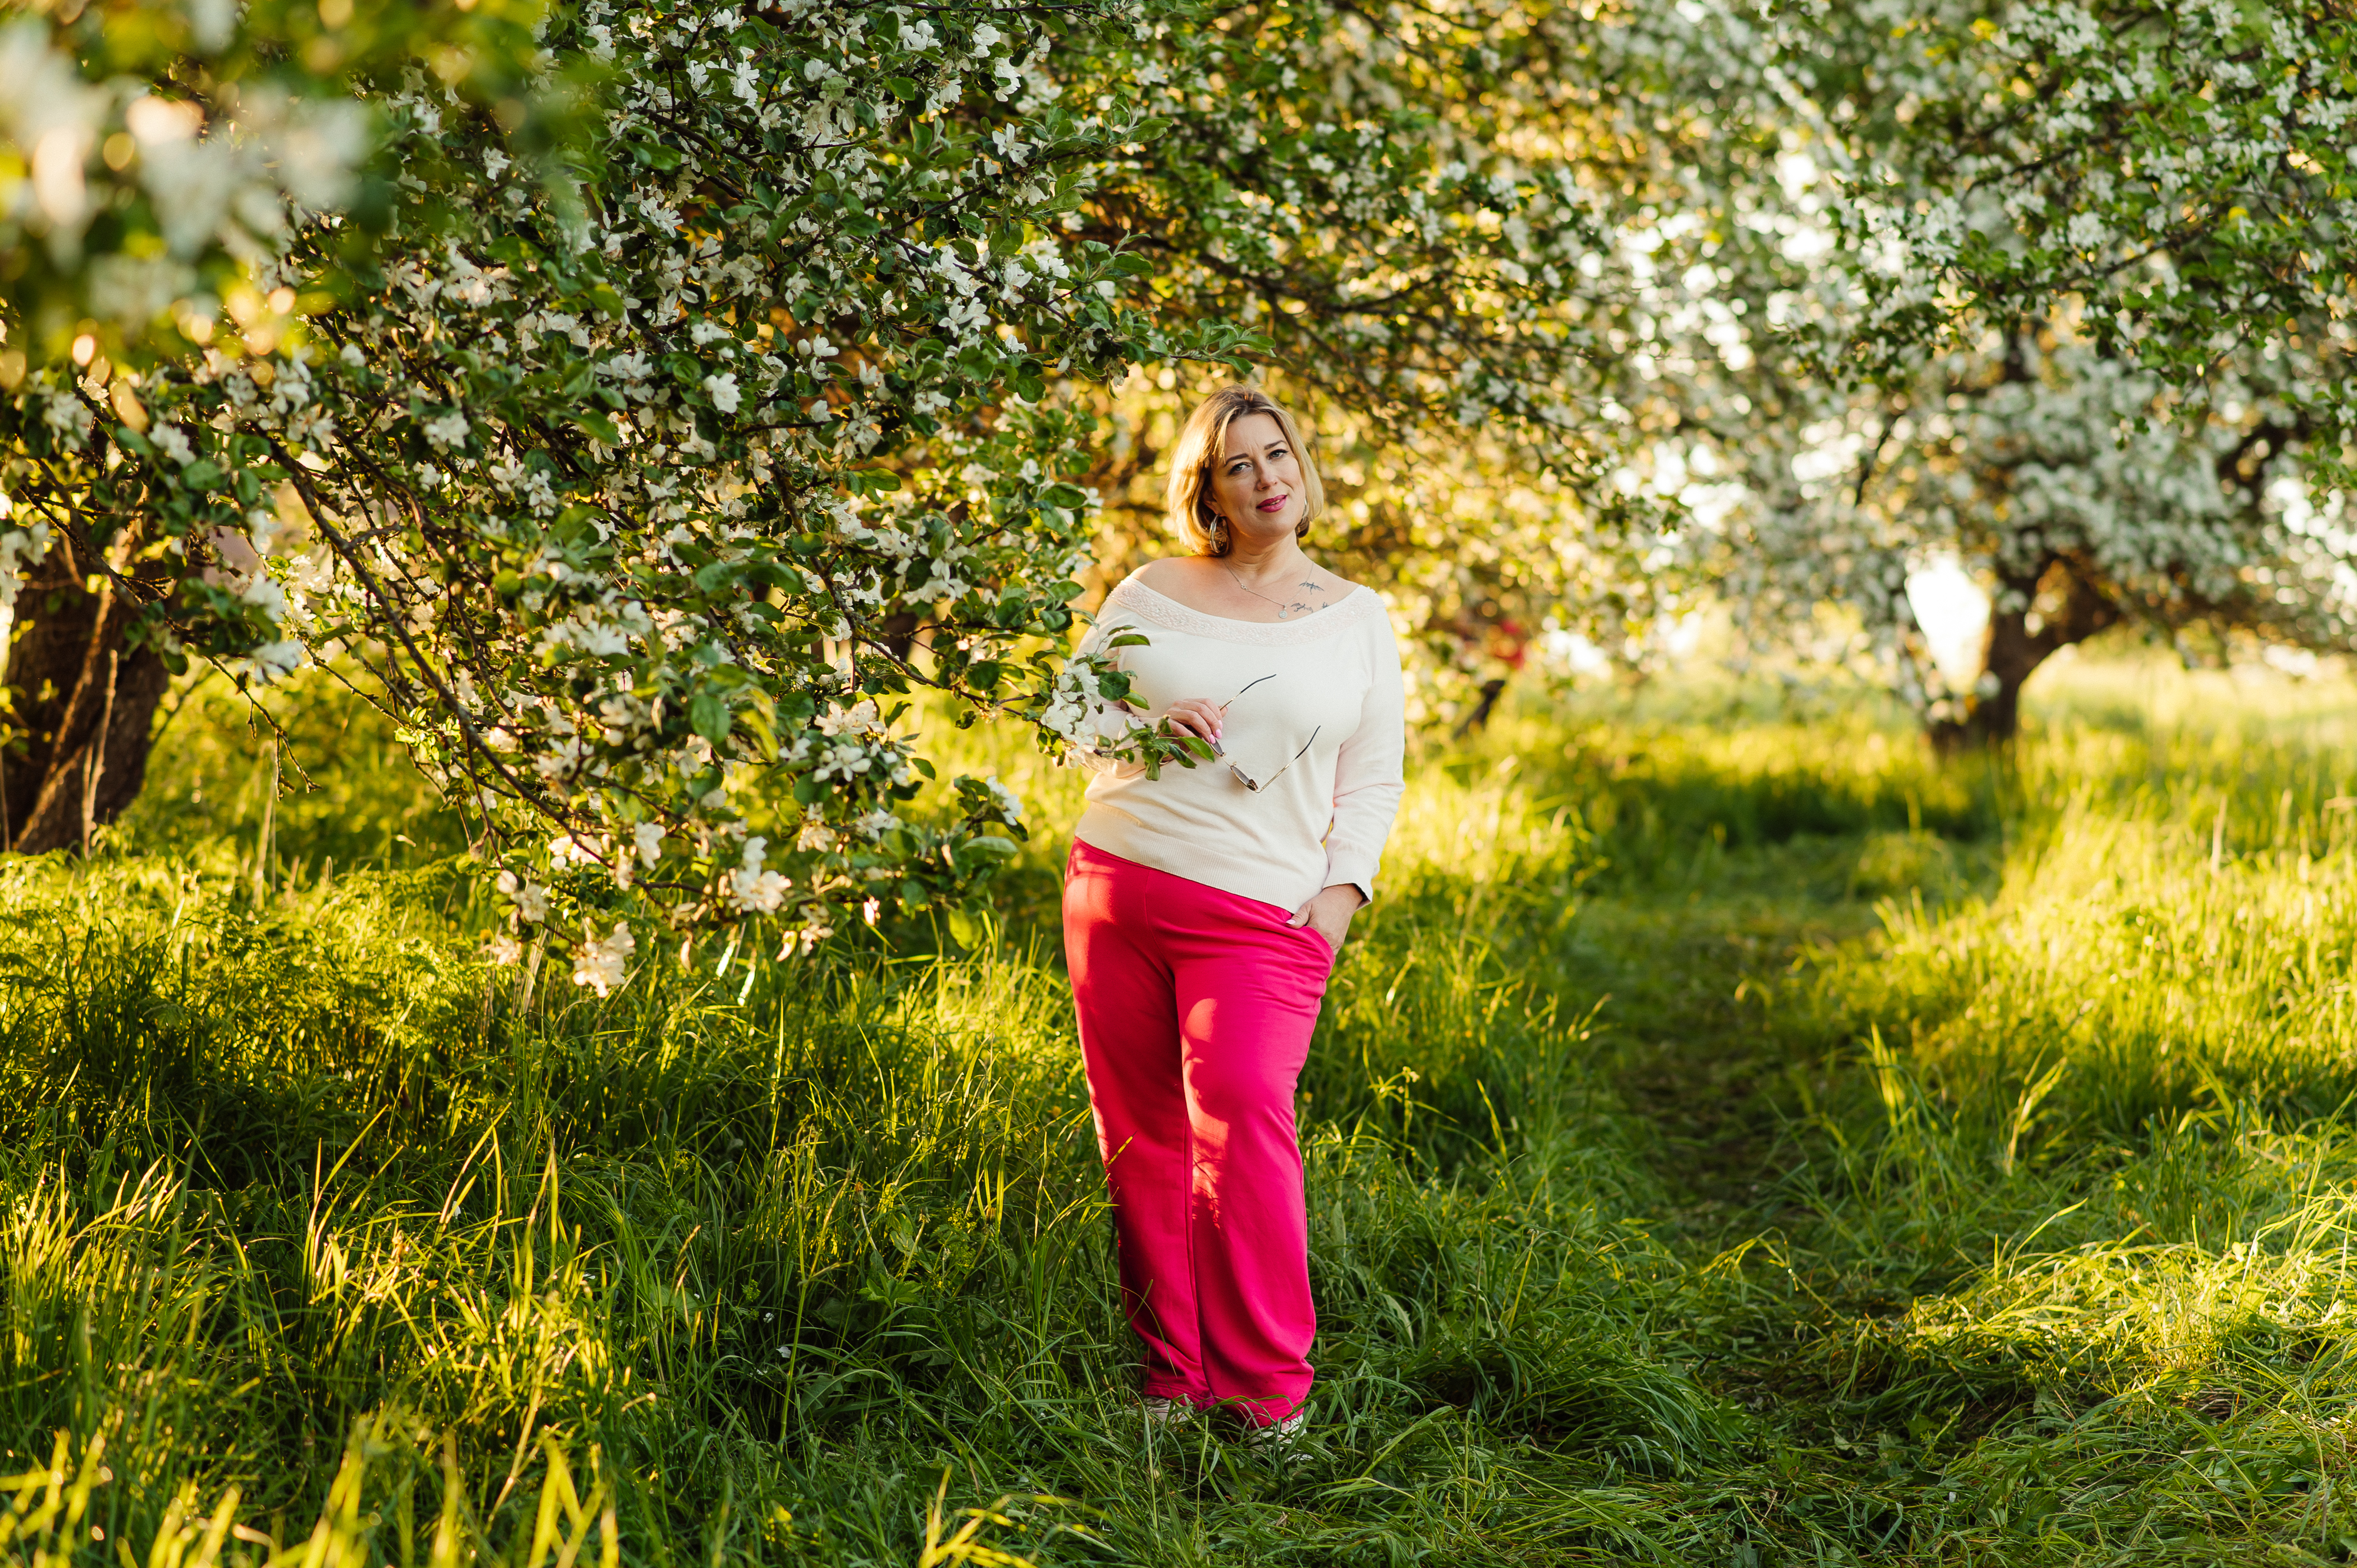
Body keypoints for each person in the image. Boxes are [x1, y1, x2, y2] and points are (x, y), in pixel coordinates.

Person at [1061, 385, 1407, 1443]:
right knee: (1144, 1137)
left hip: (1262, 914)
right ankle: (1170, 1377)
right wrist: (1145, 718)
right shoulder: (1154, 591)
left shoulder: (1356, 617)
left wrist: (1340, 898)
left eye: (1278, 456)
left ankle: (1266, 1394)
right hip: (1116, 884)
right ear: (1208, 490)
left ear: (1301, 468)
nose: (1267, 478)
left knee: (1247, 1129)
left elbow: (1376, 778)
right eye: (1240, 465)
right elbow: (1067, 717)